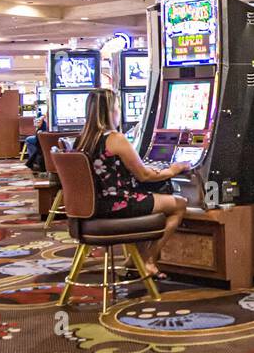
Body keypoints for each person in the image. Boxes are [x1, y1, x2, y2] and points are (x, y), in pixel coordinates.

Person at [75, 88, 189, 278]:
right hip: (118, 204)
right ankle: (148, 260)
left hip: (92, 208)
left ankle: (133, 260)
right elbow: (144, 175)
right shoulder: (115, 139)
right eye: (118, 108)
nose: (119, 112)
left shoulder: (82, 140)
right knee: (179, 204)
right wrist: (174, 169)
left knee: (150, 200)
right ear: (110, 111)